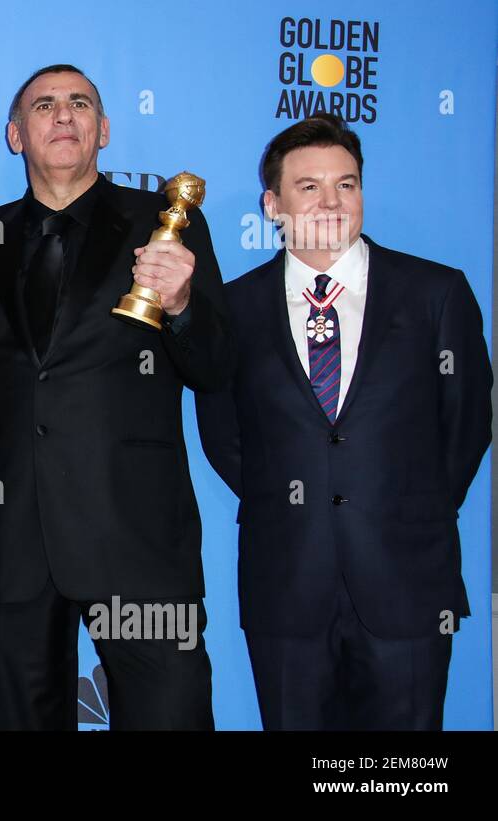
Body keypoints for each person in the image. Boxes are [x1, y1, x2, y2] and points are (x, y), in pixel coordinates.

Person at [0, 63, 233, 730]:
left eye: (79, 103)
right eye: (44, 105)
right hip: (12, 532)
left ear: (103, 129)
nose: (63, 115)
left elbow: (216, 367)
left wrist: (185, 303)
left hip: (137, 534)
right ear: (15, 135)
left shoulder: (167, 223)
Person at [195, 113, 492, 730]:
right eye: (309, 187)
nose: (331, 201)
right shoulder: (235, 307)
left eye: (347, 184)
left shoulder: (436, 293)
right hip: (286, 584)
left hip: (408, 583)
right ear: (272, 203)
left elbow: (466, 426)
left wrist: (405, 506)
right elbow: (223, 434)